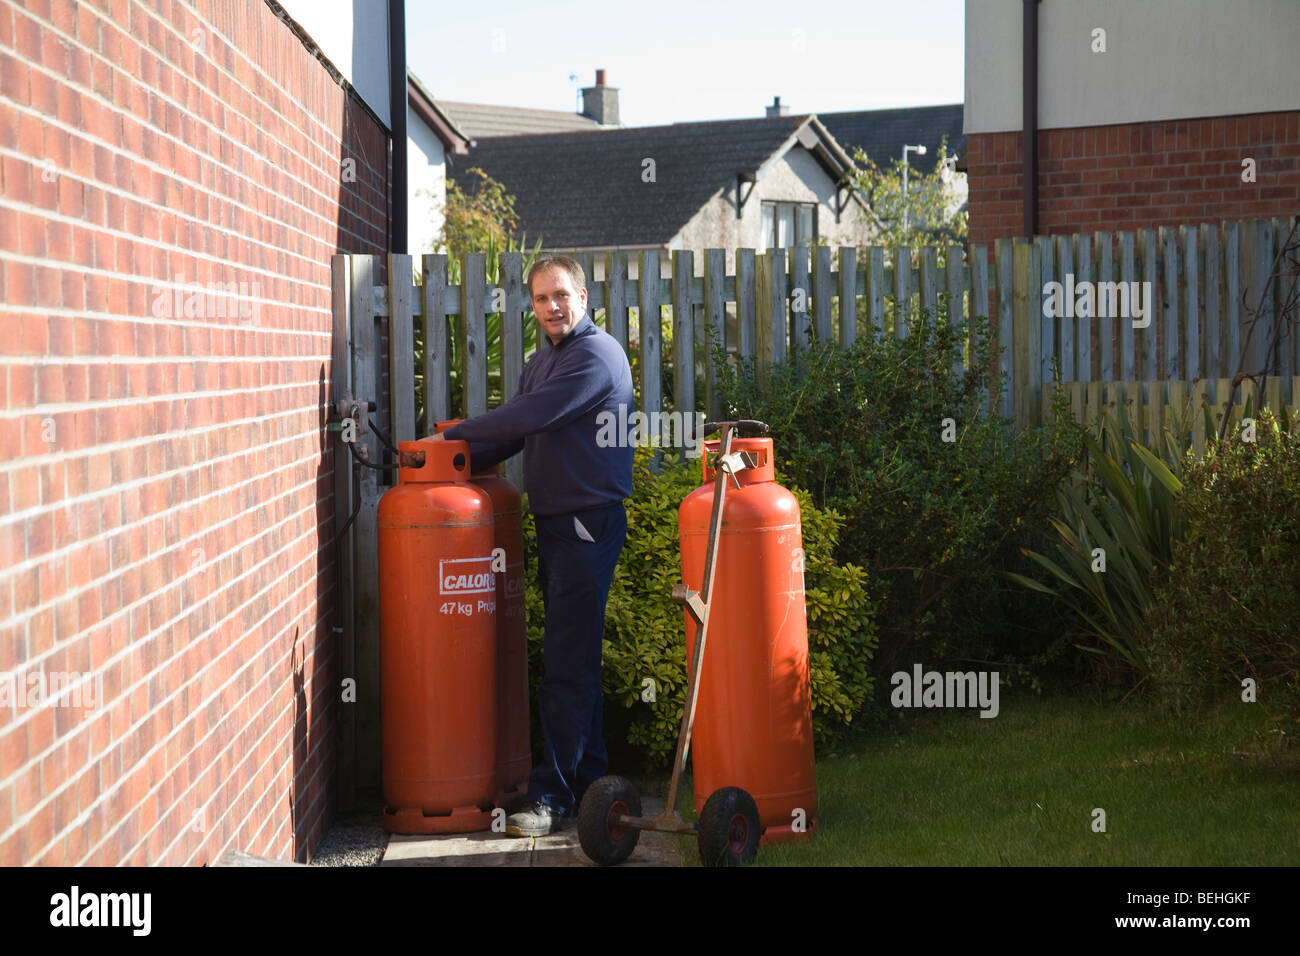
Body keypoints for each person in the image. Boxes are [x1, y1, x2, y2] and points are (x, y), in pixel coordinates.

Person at [431, 255, 634, 836]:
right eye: (542, 298)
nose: (552, 306)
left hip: (586, 524)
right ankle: (593, 782)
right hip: (557, 524)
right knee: (575, 657)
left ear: (584, 297)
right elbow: (519, 430)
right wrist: (456, 462)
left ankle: (551, 798)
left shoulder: (595, 356)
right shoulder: (543, 360)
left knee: (567, 664)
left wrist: (452, 436)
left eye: (562, 295)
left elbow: (533, 413)